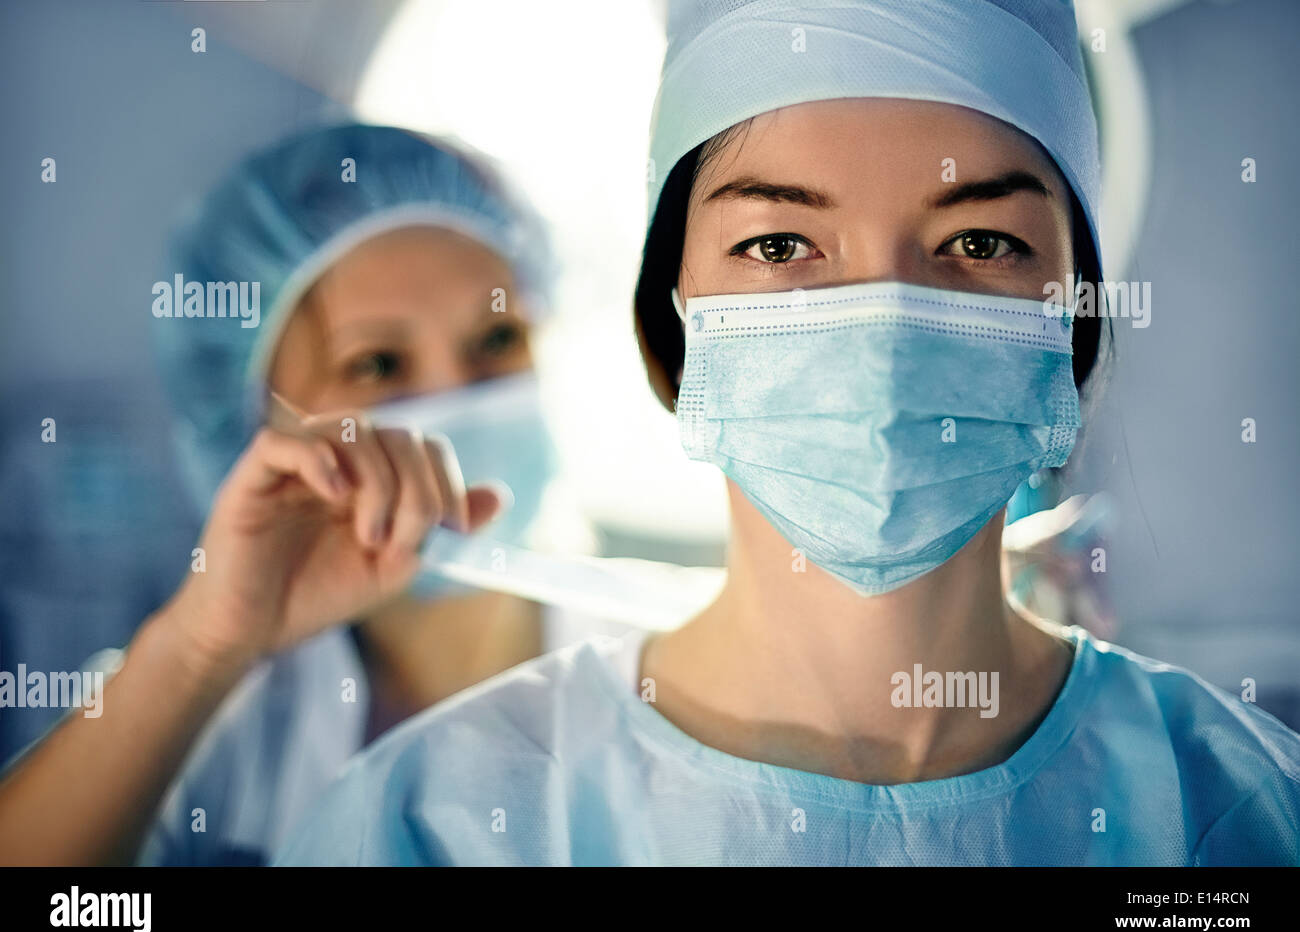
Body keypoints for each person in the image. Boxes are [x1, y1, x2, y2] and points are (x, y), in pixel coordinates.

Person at [296, 0, 1289, 865]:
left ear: (1072, 314)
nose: (884, 321)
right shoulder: (442, 823)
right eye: (780, 244)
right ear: (669, 314)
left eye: (978, 243)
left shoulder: (1235, 806)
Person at [0, 123, 586, 865]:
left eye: (498, 340)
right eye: (376, 363)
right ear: (253, 430)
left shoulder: (659, 664)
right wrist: (198, 649)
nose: (454, 397)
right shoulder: (208, 720)